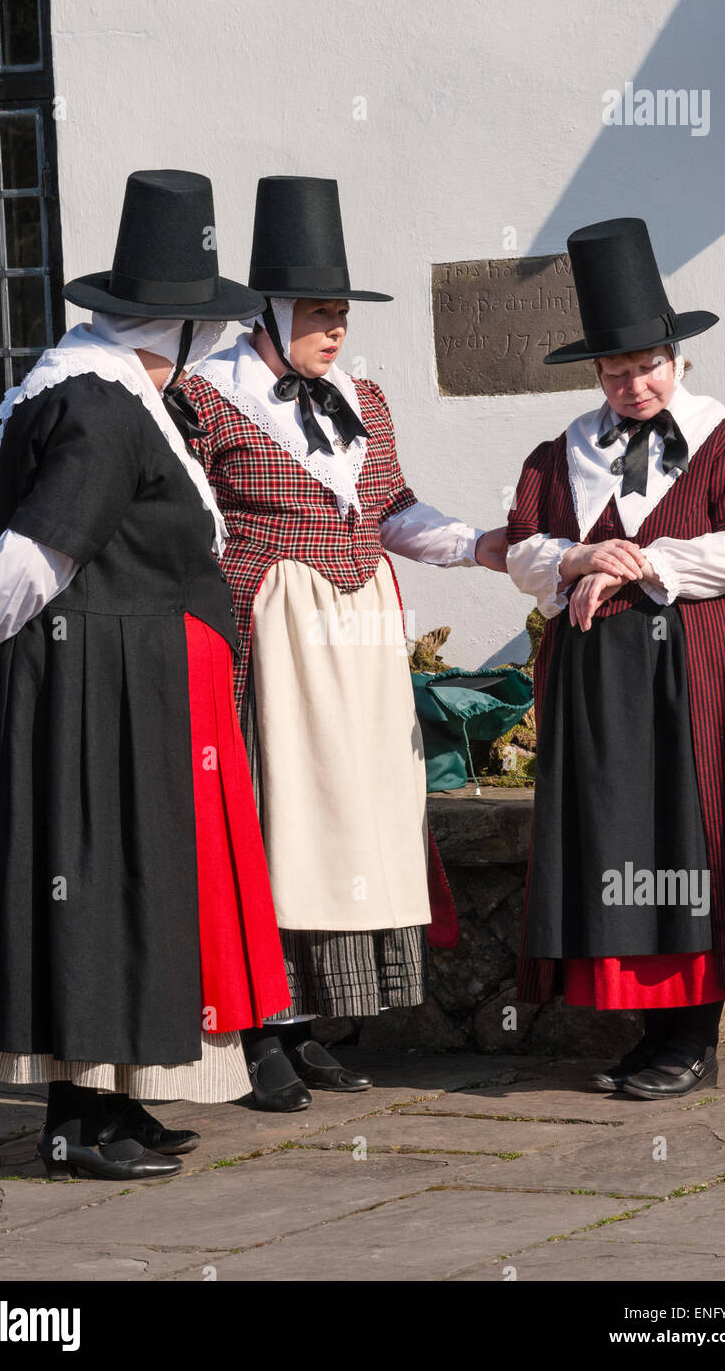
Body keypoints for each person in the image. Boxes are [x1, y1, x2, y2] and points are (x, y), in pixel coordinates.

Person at [0, 169, 290, 1178]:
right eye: (203, 327)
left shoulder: (119, 392)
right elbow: (31, 561)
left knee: (130, 891)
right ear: (167, 325)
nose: (214, 344)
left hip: (130, 686)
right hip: (87, 689)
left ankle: (116, 1104)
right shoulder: (96, 405)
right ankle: (76, 1121)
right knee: (87, 888)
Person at [185, 175, 510, 1111]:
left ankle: (314, 1020)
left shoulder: (359, 396)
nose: (334, 330)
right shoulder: (207, 400)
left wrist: (479, 547)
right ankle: (258, 1032)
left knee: (352, 815)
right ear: (270, 312)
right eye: (319, 313)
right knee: (277, 813)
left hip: (361, 631)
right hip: (269, 632)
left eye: (341, 313)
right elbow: (192, 523)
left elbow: (393, 509)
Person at [507, 216, 725, 1098]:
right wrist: (576, 558)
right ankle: (647, 1031)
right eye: (615, 369)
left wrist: (645, 562)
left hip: (701, 671)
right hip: (599, 682)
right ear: (595, 372)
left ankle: (690, 1038)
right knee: (617, 838)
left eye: (647, 366)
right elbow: (521, 550)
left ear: (679, 359)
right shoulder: (559, 455)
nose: (633, 384)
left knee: (693, 834)